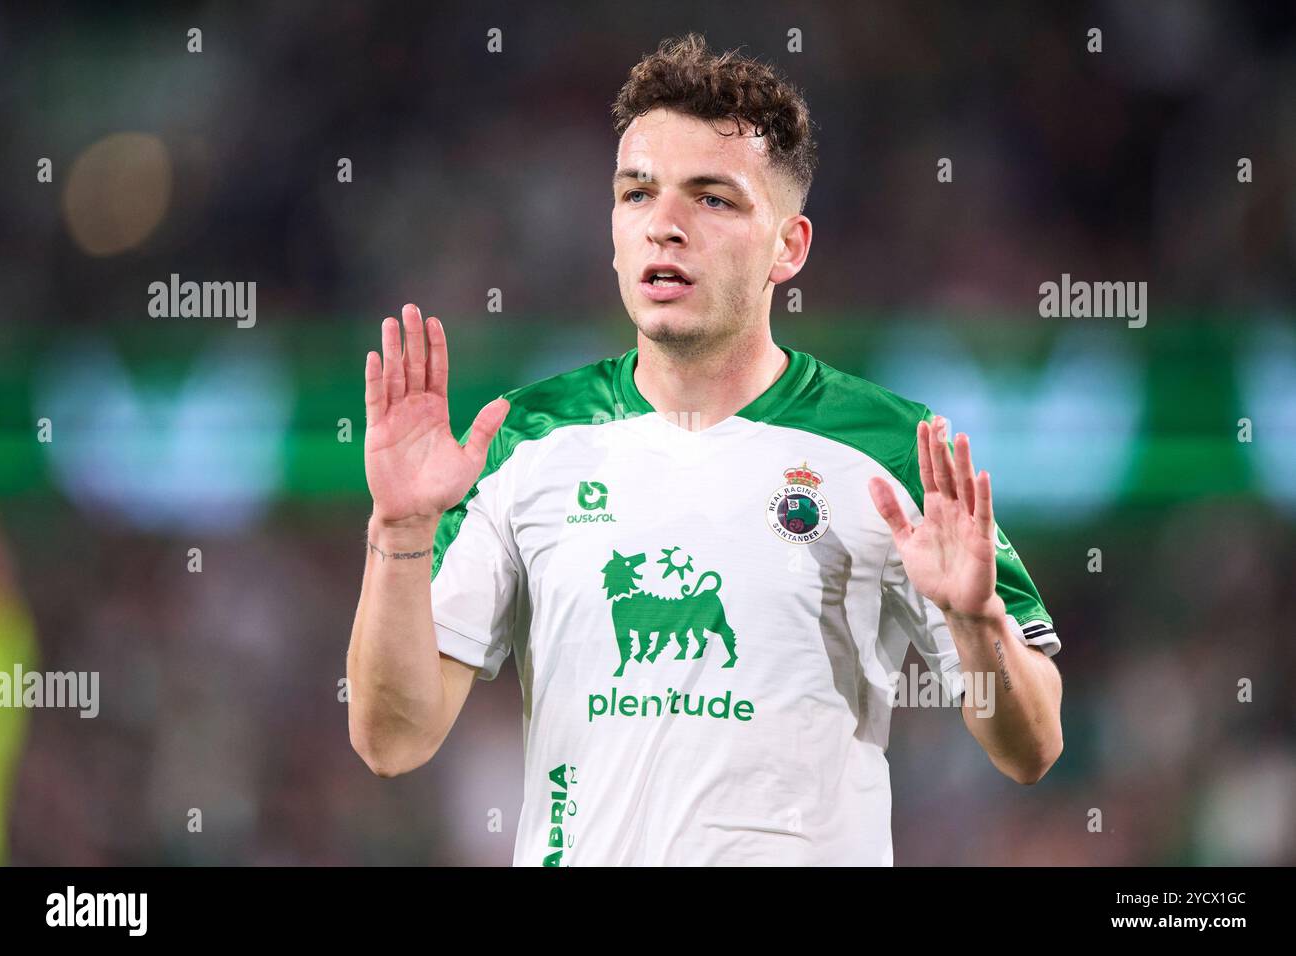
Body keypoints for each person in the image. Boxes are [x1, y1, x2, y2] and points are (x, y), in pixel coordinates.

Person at [346, 33, 1062, 866]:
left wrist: (976, 623)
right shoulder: (526, 440)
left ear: (788, 248)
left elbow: (1031, 746)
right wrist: (399, 533)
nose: (666, 226)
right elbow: (392, 739)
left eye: (713, 199)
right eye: (637, 193)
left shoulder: (894, 452)